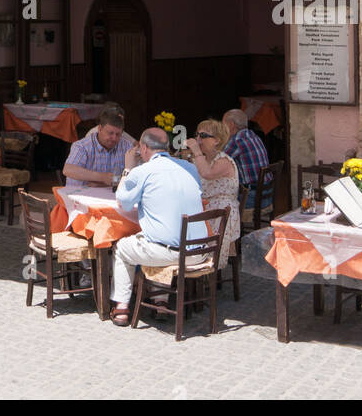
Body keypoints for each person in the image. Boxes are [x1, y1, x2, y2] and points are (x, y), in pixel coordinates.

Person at [109, 127, 206, 325]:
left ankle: (121, 308)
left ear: (143, 148)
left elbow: (123, 202)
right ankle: (160, 301)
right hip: (200, 250)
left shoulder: (143, 171)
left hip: (173, 252)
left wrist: (128, 168)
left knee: (122, 249)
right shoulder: (189, 168)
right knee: (154, 237)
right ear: (167, 147)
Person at [185, 118, 241, 269]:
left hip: (221, 213)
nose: (198, 139)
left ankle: (203, 267)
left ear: (216, 140)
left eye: (203, 136)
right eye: (197, 135)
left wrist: (196, 152)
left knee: (189, 224)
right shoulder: (201, 159)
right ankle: (190, 265)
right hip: (205, 208)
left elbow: (207, 174)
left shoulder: (223, 160)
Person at [63, 103, 136, 186]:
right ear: (100, 129)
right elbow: (68, 170)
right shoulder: (82, 146)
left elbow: (135, 177)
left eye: (118, 134)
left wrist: (101, 184)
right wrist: (103, 177)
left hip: (111, 196)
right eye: (110, 133)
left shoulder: (126, 146)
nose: (114, 138)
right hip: (80, 196)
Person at [223, 108, 270, 201]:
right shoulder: (253, 135)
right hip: (266, 193)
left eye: (223, 124)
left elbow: (218, 163)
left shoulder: (237, 140)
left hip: (252, 196)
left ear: (231, 125)